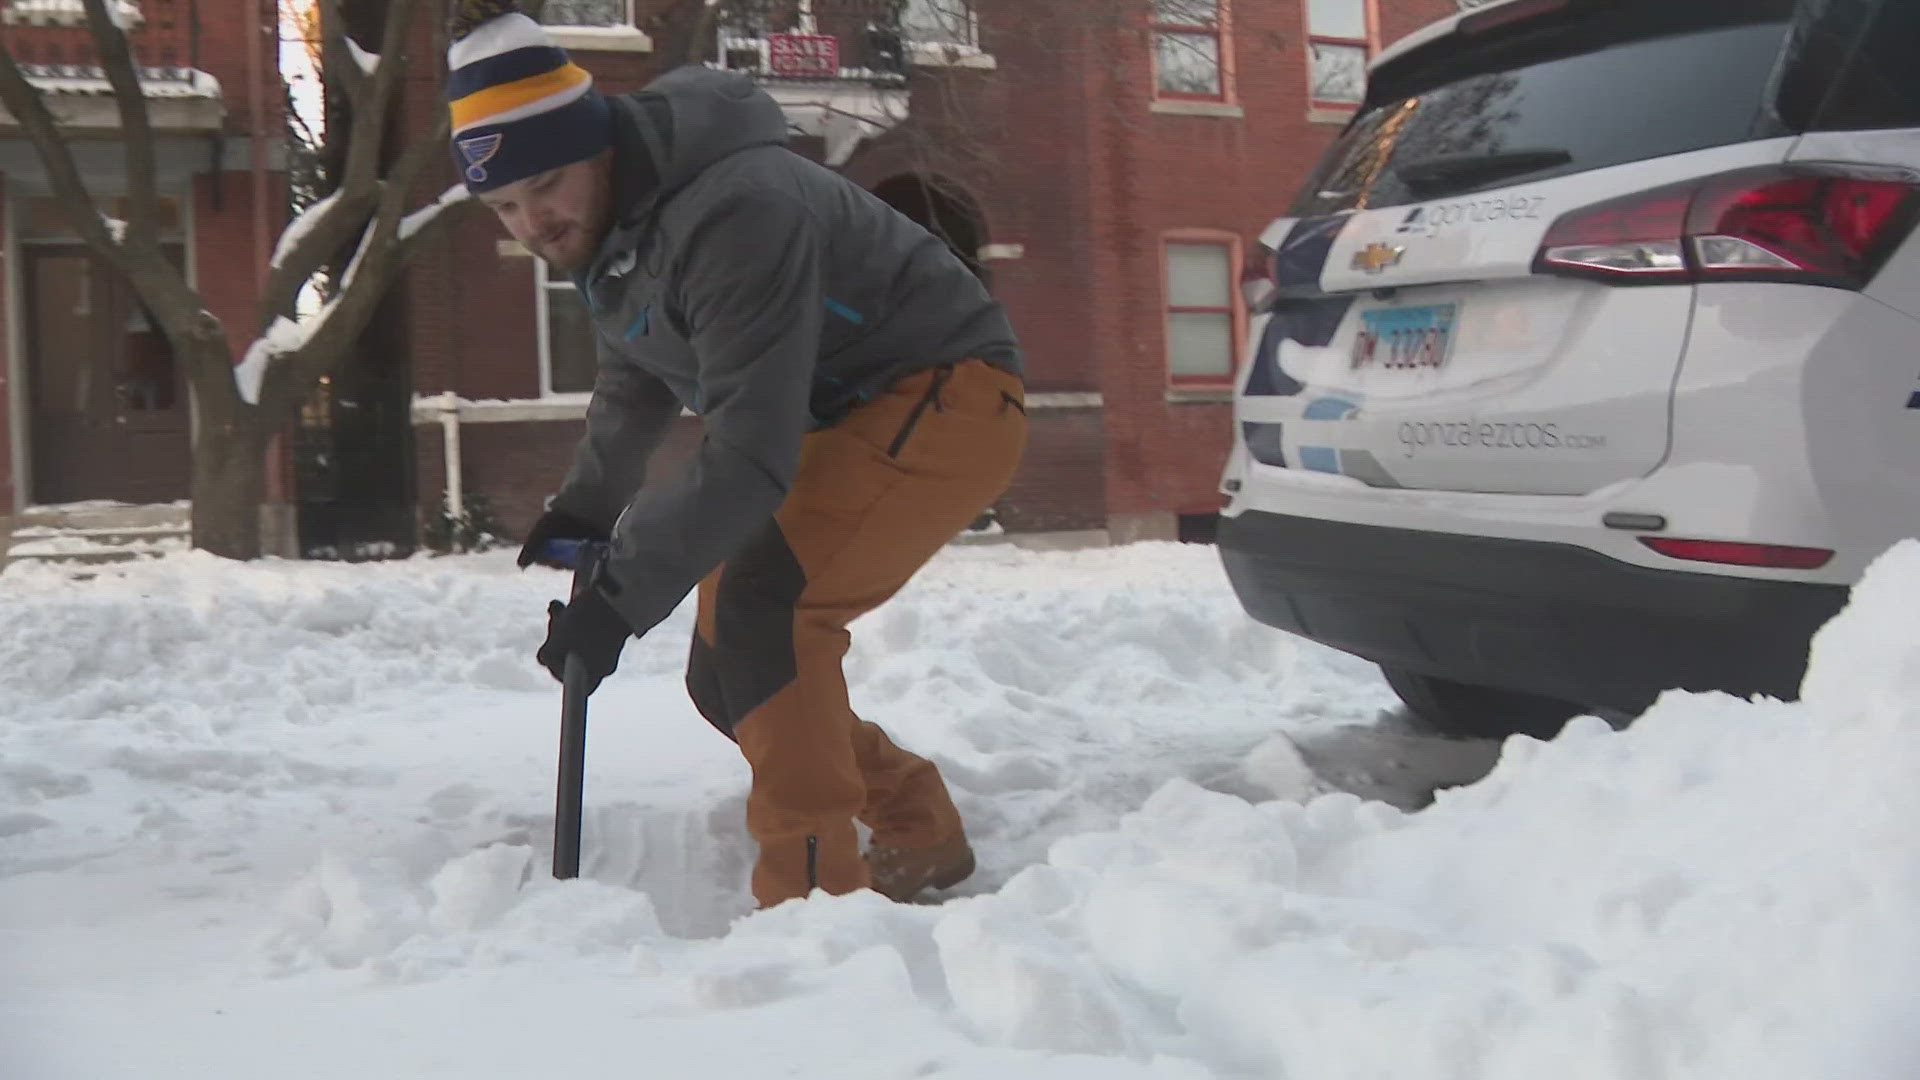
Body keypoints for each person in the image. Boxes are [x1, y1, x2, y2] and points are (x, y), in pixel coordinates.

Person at [445, 3, 1027, 908]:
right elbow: (637, 370)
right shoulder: (614, 230)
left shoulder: (735, 208)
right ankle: (918, 825)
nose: (532, 223)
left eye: (545, 186)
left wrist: (618, 602)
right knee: (726, 673)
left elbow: (750, 452)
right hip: (843, 419)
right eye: (504, 206)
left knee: (767, 613)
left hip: (944, 395)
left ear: (596, 142)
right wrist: (588, 507)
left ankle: (812, 901)